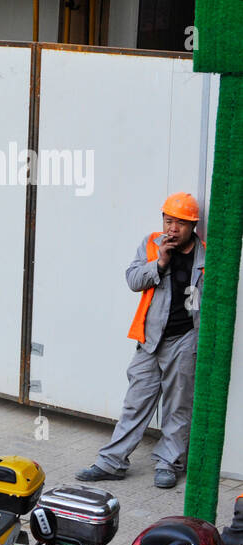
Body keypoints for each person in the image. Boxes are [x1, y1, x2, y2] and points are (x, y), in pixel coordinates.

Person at [77, 193, 206, 490]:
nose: (172, 228)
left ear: (193, 225)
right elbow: (134, 280)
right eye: (168, 220)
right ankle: (112, 462)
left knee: (179, 405)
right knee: (135, 403)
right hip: (150, 339)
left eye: (179, 223)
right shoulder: (151, 244)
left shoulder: (204, 256)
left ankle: (168, 463)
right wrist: (160, 262)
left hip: (185, 339)